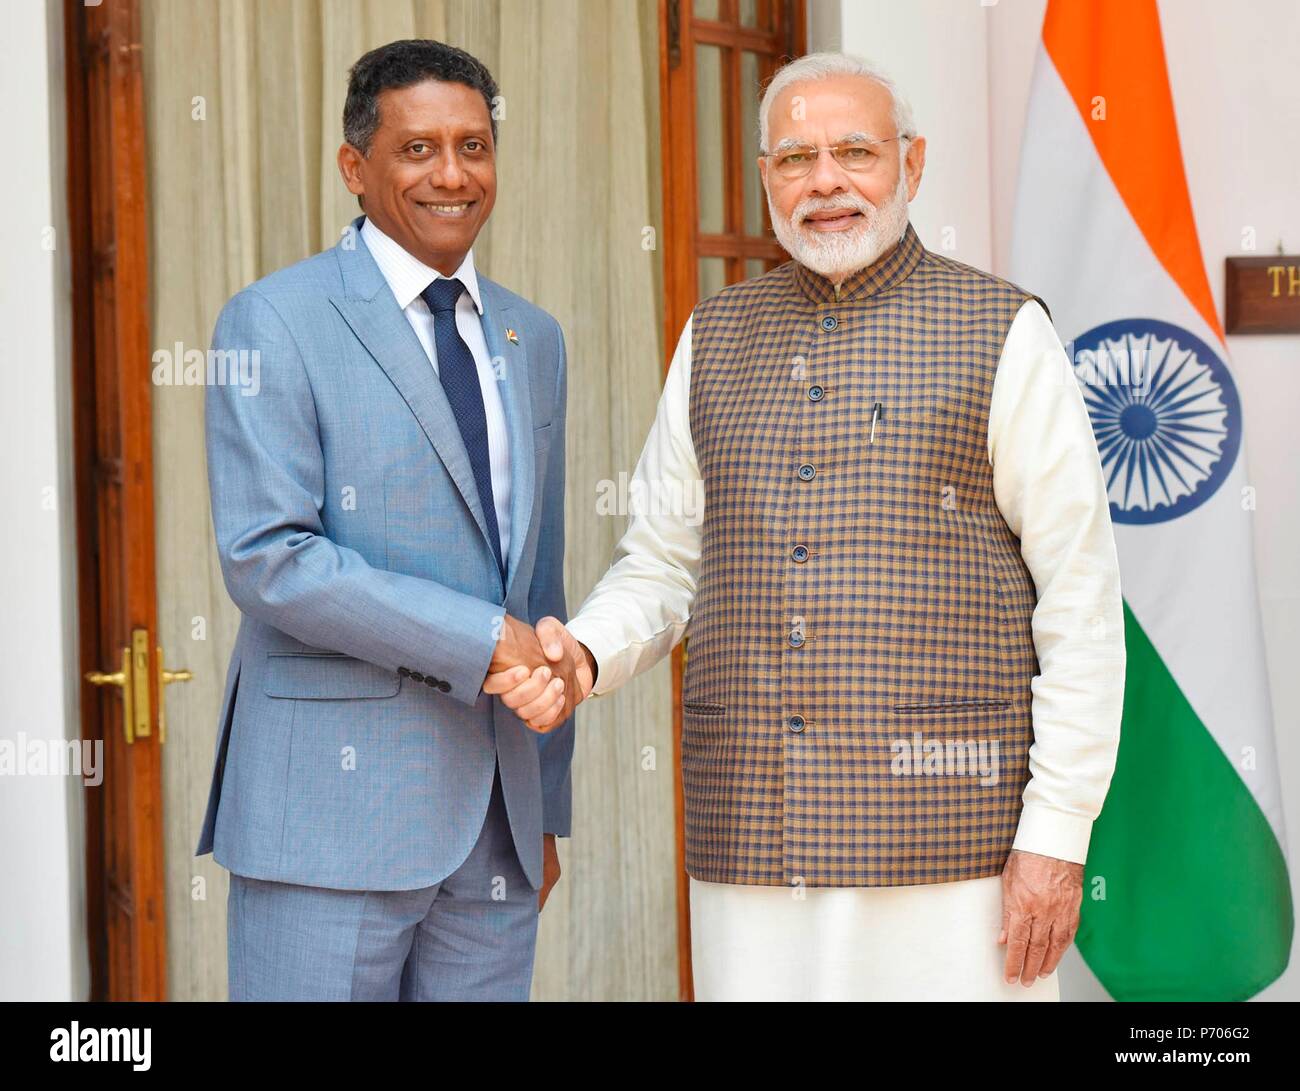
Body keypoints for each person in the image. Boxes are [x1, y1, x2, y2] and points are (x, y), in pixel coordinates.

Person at [488, 51, 1125, 1001]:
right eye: (795, 159)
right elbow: (665, 563)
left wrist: (1057, 833)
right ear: (765, 179)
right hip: (754, 832)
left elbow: (1079, 599)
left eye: (854, 153)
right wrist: (581, 654)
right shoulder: (715, 335)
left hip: (954, 845)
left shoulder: (1002, 331)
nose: (824, 182)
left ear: (911, 166)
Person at [197, 38, 579, 1001]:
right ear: (355, 167)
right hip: (329, 818)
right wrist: (477, 636)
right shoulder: (274, 321)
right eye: (418, 150)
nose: (452, 174)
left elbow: (538, 582)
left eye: (474, 145)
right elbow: (269, 557)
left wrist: (544, 807)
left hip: (496, 824)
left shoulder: (533, 338)